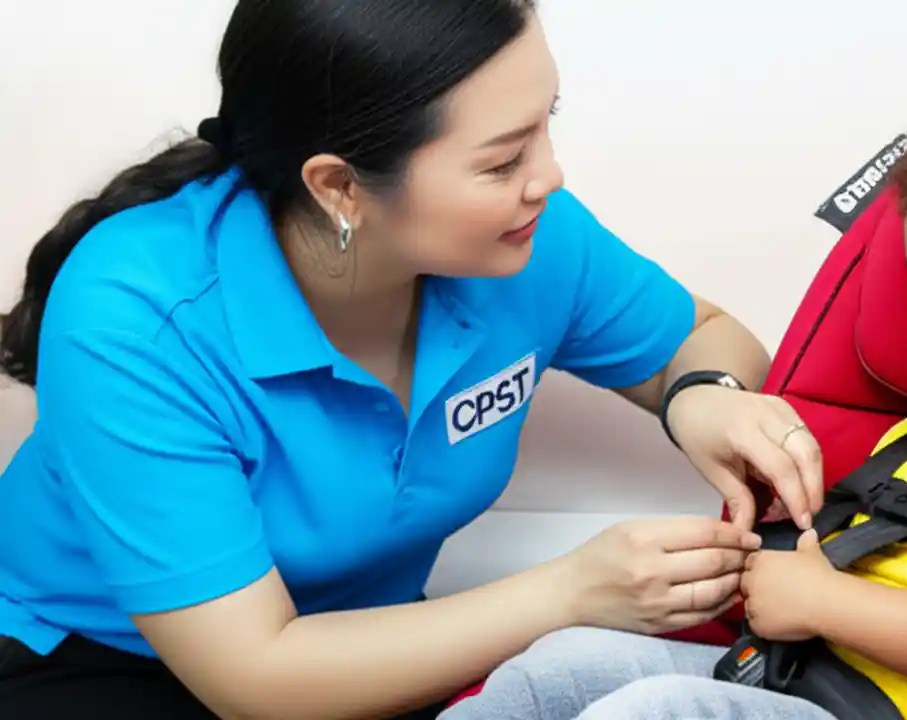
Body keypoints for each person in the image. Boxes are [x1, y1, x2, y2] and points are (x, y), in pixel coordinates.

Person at [0, 2, 828, 718]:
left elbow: (704, 335)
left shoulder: (526, 241)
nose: (550, 176)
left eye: (549, 122)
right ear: (338, 187)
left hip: (374, 640)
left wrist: (700, 396)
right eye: (503, 160)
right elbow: (252, 678)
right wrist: (573, 591)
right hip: (103, 661)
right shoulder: (134, 319)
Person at [440, 103, 907, 720]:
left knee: (657, 712)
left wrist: (825, 605)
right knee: (562, 665)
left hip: (872, 706)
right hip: (785, 672)